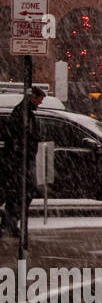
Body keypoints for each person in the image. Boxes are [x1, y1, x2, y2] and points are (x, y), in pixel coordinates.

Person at [1, 86, 44, 238]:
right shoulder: (23, 114)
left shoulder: (24, 113)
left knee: (18, 193)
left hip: (20, 160)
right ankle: (9, 222)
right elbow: (19, 137)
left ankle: (9, 222)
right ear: (33, 97)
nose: (40, 103)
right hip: (20, 161)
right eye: (39, 99)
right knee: (22, 192)